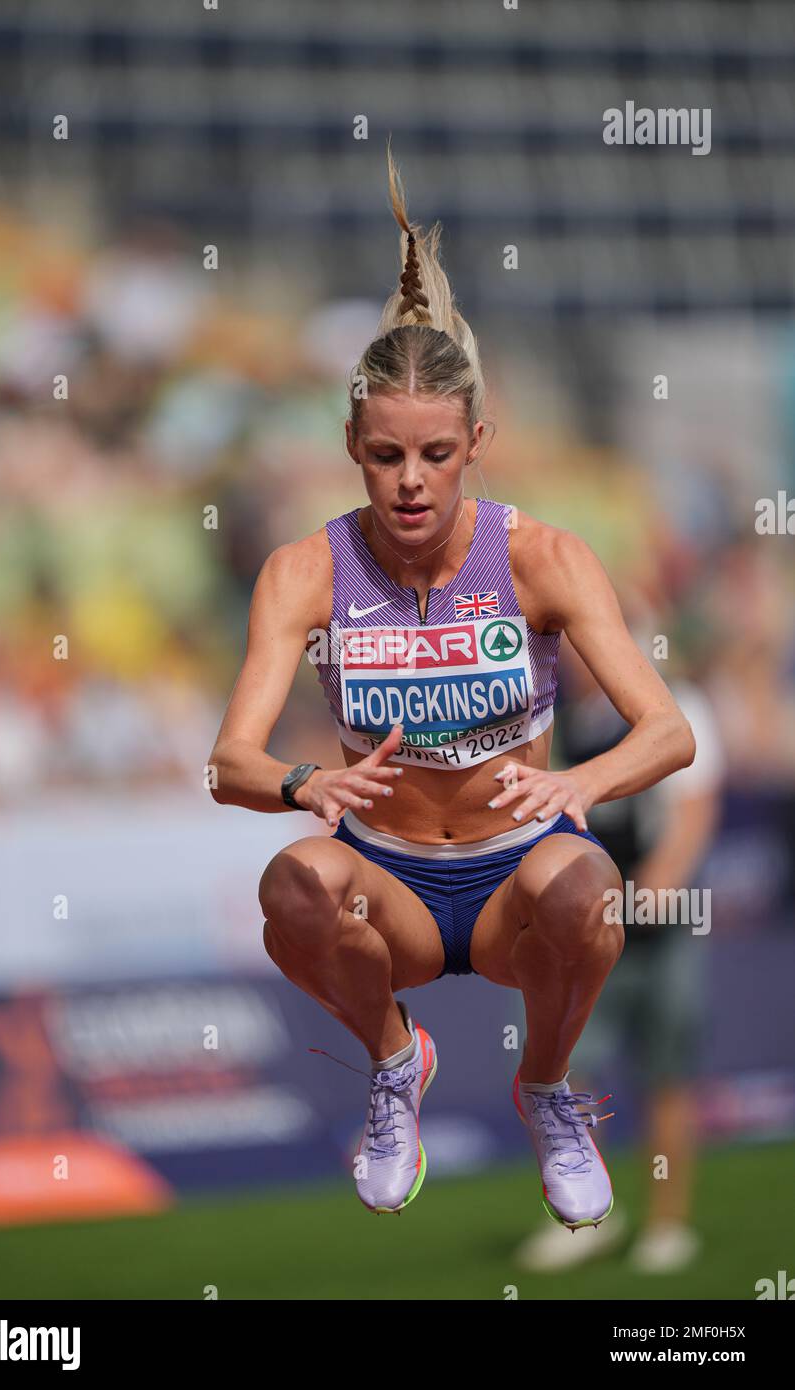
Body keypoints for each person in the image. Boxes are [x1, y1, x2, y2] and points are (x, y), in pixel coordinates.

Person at [208, 146, 695, 1225]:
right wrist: (302, 786)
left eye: (434, 452)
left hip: (518, 875)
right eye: (384, 455)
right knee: (290, 883)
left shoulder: (543, 559)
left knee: (588, 884)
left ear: (475, 441)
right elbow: (226, 762)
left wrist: (585, 780)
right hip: (387, 886)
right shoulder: (306, 571)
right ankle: (394, 1064)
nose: (410, 480)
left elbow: (665, 731)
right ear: (350, 443)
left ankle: (548, 1088)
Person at [515, 638, 724, 1271]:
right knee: (567, 1074)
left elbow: (694, 806)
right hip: (581, 930)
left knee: (666, 1075)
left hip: (655, 926)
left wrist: (659, 883)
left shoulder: (671, 707)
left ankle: (667, 1224)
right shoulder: (552, 716)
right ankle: (586, 1218)